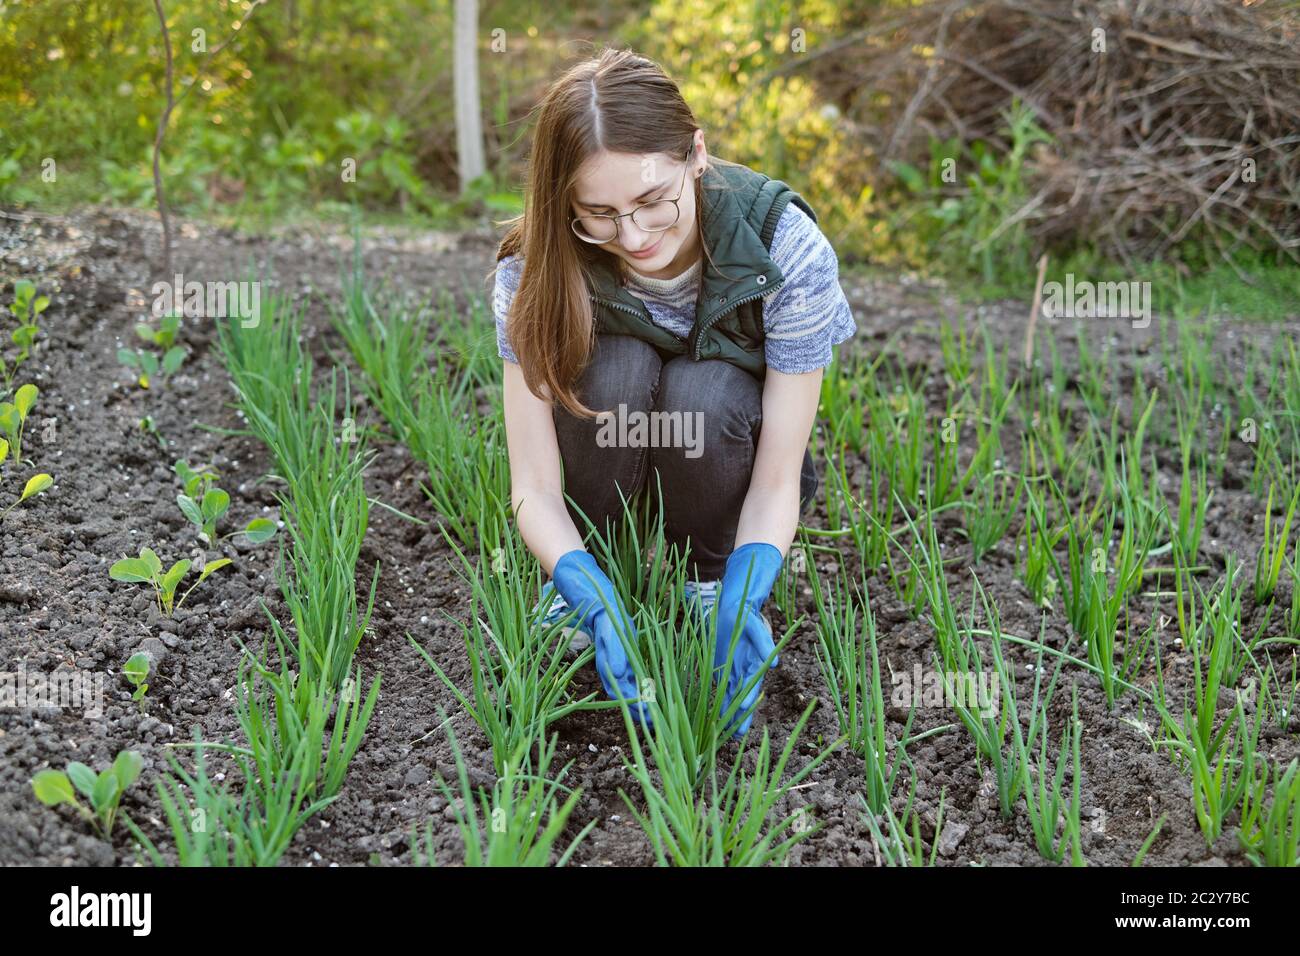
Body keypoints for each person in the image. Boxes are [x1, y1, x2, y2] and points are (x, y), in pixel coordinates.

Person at [489, 47, 856, 736]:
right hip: (602, 456)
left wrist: (748, 585)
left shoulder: (786, 248)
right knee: (616, 371)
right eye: (596, 212)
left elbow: (780, 477)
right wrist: (580, 584)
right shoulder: (533, 269)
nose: (631, 237)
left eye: (652, 201)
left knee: (704, 394)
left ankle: (709, 581)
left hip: (721, 455)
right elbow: (532, 483)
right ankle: (596, 574)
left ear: (696, 153)